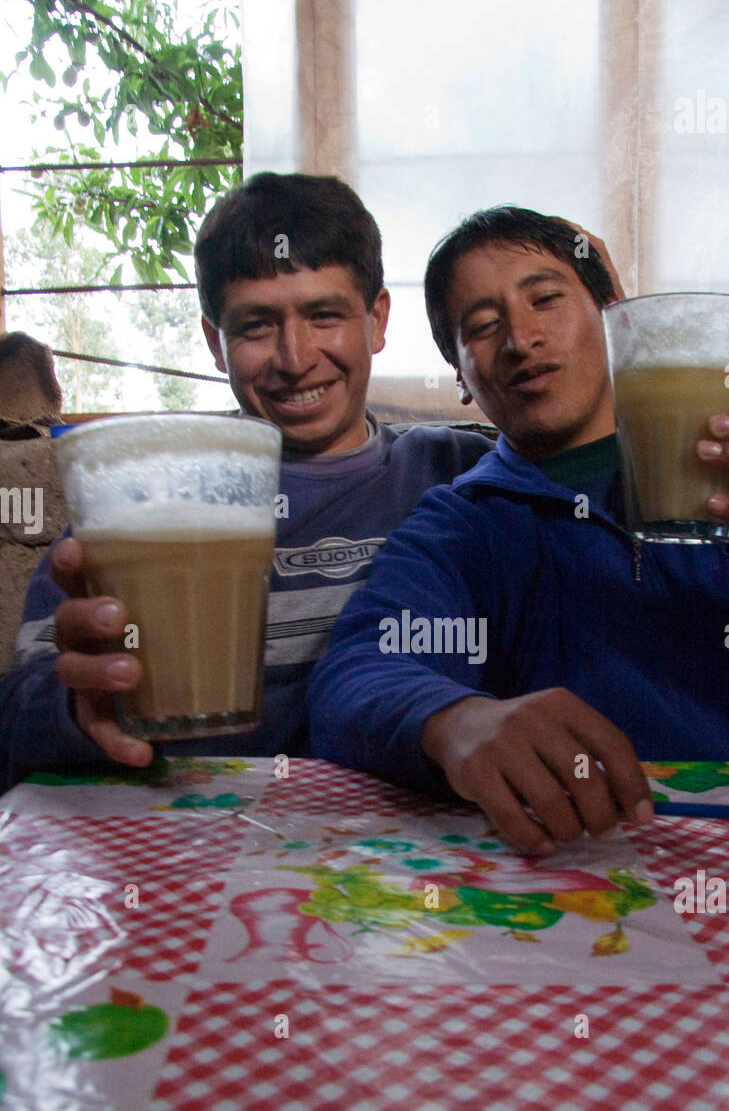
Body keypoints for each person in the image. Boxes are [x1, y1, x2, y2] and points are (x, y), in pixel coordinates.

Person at [308, 205, 729, 853]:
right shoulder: (469, 522)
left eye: (546, 299)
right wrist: (455, 720)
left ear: (615, 323)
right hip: (614, 857)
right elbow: (357, 671)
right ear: (460, 376)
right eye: (483, 326)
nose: (522, 339)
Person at [0, 173, 495, 791]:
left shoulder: (458, 472)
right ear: (216, 342)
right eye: (257, 326)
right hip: (181, 840)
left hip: (403, 852)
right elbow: (12, 729)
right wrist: (75, 708)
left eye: (324, 315)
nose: (295, 357)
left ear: (376, 319)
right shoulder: (137, 503)